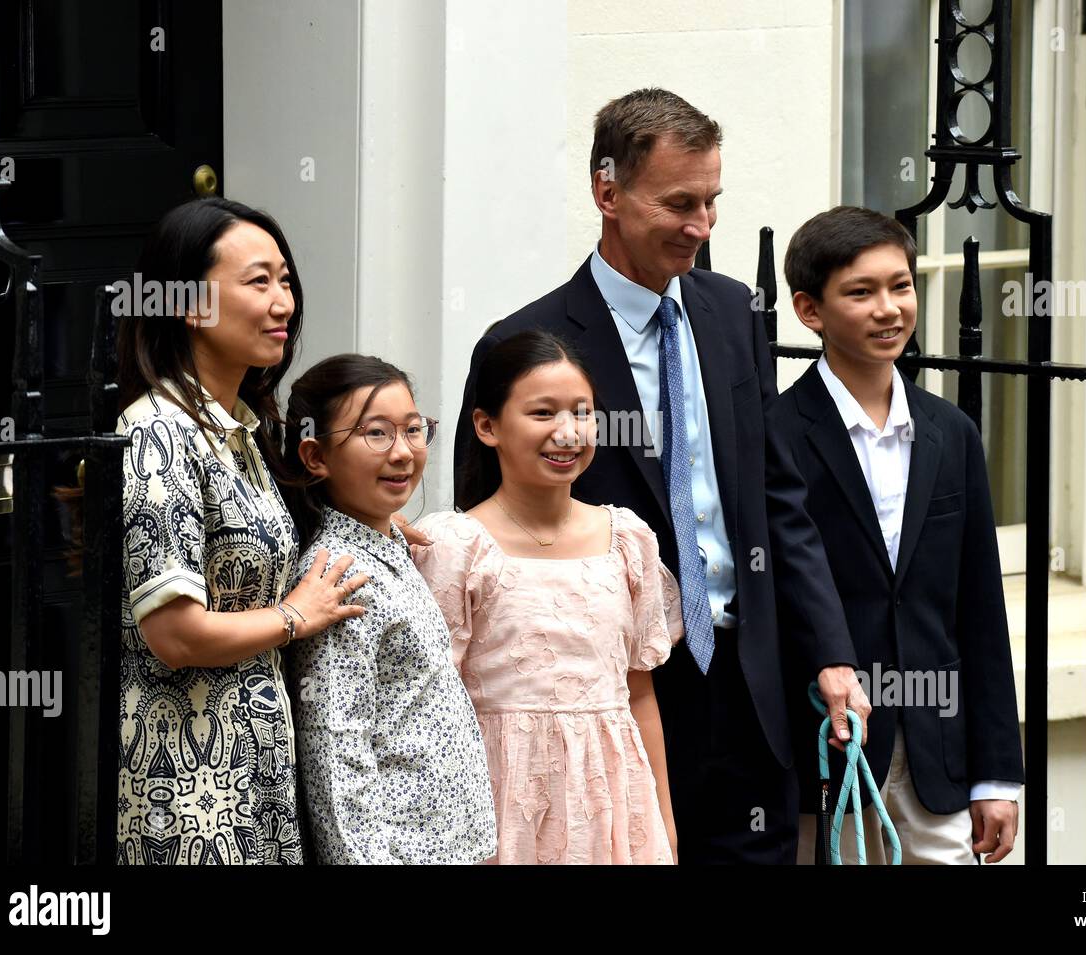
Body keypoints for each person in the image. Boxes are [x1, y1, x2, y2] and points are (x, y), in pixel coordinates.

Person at [452, 88, 868, 863]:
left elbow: (776, 498)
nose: (701, 226)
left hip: (751, 687)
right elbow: (487, 535)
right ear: (607, 192)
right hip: (613, 699)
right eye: (679, 202)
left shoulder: (735, 311)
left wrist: (830, 652)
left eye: (712, 202)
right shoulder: (525, 342)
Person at [115, 197, 369, 864]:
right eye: (258, 281)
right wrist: (294, 615)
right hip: (184, 783)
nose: (283, 300)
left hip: (255, 772)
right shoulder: (158, 433)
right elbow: (175, 633)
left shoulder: (240, 430)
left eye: (285, 279)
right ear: (189, 302)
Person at [769, 205, 1024, 864]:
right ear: (809, 308)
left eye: (900, 285)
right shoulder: (775, 434)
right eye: (861, 291)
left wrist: (997, 775)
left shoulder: (952, 432)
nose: (889, 308)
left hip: (941, 756)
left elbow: (980, 610)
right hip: (831, 750)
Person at [419, 329, 683, 864]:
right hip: (496, 804)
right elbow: (434, 709)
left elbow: (640, 695)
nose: (567, 433)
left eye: (581, 413)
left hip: (615, 803)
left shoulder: (628, 539)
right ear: (487, 426)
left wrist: (664, 823)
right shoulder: (454, 544)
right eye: (543, 413)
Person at [279, 354, 496, 864]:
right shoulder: (339, 576)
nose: (403, 453)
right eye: (376, 434)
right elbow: (335, 747)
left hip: (445, 843)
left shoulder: (386, 543)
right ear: (316, 457)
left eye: (414, 430)